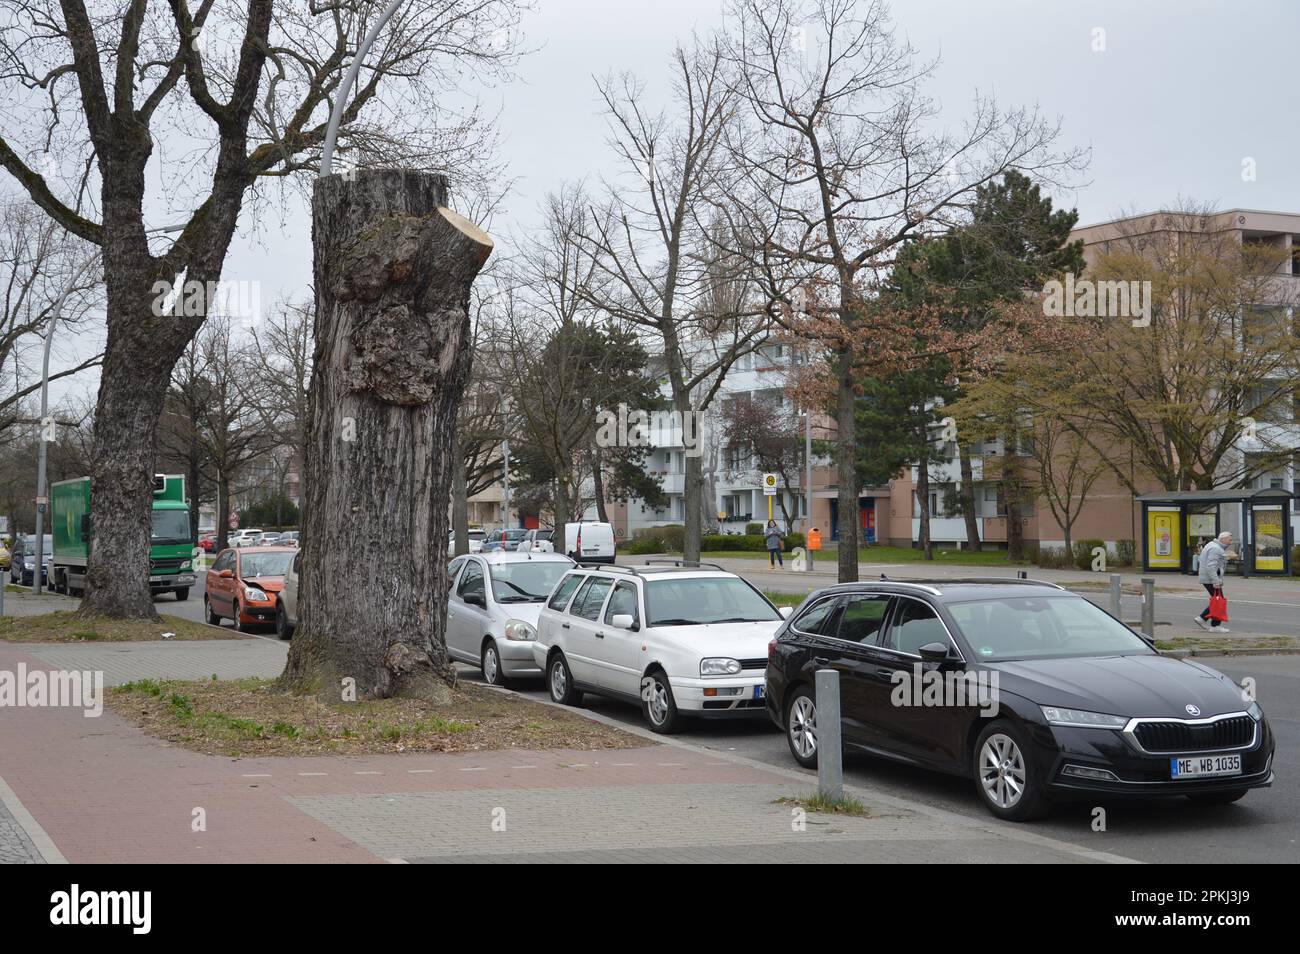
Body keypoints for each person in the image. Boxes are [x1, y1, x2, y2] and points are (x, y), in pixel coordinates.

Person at [1195, 531, 1231, 632]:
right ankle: (1214, 625)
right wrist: (1216, 581)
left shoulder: (1212, 545)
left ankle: (1203, 618)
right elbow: (1211, 566)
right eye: (1229, 539)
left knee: (1218, 600)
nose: (1230, 542)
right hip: (1211, 579)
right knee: (1219, 601)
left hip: (1208, 578)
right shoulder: (1216, 548)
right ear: (1223, 539)